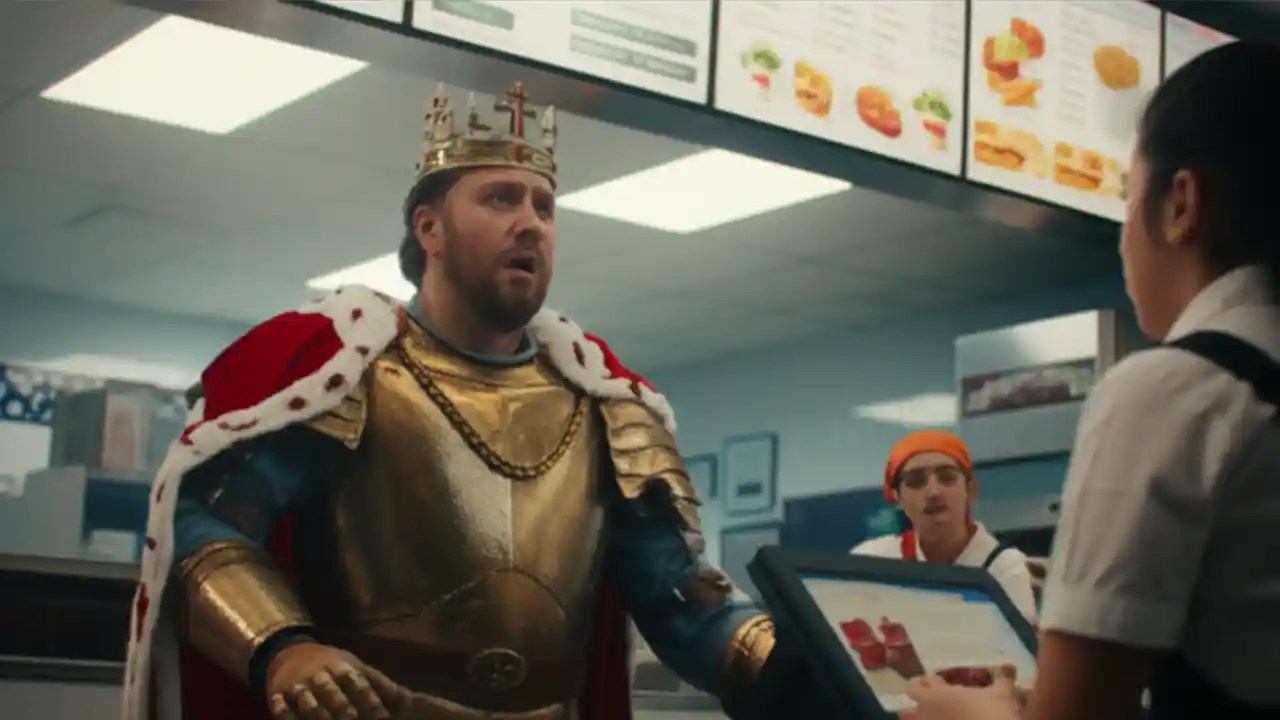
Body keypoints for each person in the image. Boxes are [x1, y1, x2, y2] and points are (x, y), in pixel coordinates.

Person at [120, 81, 775, 720]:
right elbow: (201, 532)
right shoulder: (345, 372)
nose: (530, 224)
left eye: (544, 208)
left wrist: (792, 660)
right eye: (500, 198)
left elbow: (684, 599)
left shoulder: (603, 401)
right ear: (428, 228)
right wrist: (281, 648)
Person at [906, 40, 1280, 720]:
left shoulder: (1176, 390)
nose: (1122, 234)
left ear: (1181, 204)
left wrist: (971, 716)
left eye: (1126, 195)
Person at [851, 430, 1037, 623]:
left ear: (970, 490)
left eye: (947, 478)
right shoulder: (872, 562)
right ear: (898, 498)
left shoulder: (1004, 568)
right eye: (916, 481)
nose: (933, 492)